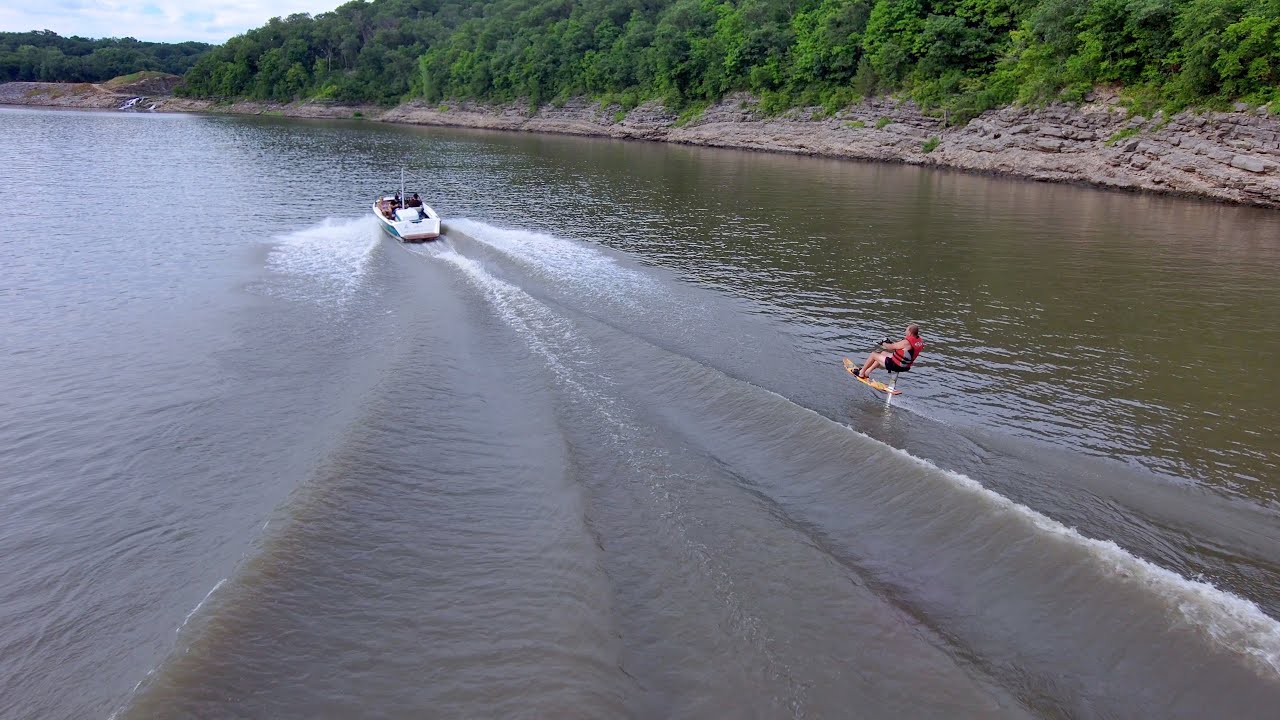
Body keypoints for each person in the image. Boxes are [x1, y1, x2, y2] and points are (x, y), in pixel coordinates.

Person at [855, 323, 924, 379]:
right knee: (883, 353)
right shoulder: (919, 341)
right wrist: (890, 343)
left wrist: (883, 343)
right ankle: (867, 372)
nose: (905, 332)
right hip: (906, 365)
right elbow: (903, 349)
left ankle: (861, 372)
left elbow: (891, 348)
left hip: (896, 365)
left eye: (906, 330)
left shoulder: (906, 342)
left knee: (873, 354)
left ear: (910, 333)